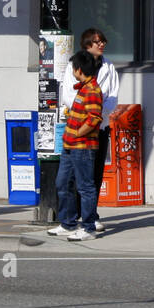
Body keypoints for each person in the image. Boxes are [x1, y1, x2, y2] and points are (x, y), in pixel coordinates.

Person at [48, 50, 103, 241]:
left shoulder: (93, 90)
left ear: (79, 70)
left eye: (73, 67)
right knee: (62, 183)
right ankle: (68, 223)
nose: (72, 70)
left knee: (85, 187)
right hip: (70, 146)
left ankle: (88, 228)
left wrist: (77, 134)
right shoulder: (82, 88)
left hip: (83, 147)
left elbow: (94, 119)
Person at [81, 27, 119, 233]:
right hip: (79, 128)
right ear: (87, 44)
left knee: (96, 172)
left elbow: (113, 97)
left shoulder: (109, 67)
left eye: (103, 41)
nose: (102, 44)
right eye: (98, 41)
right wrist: (89, 113)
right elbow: (69, 93)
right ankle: (72, 216)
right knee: (77, 174)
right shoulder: (75, 65)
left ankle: (91, 215)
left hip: (100, 126)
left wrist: (98, 114)